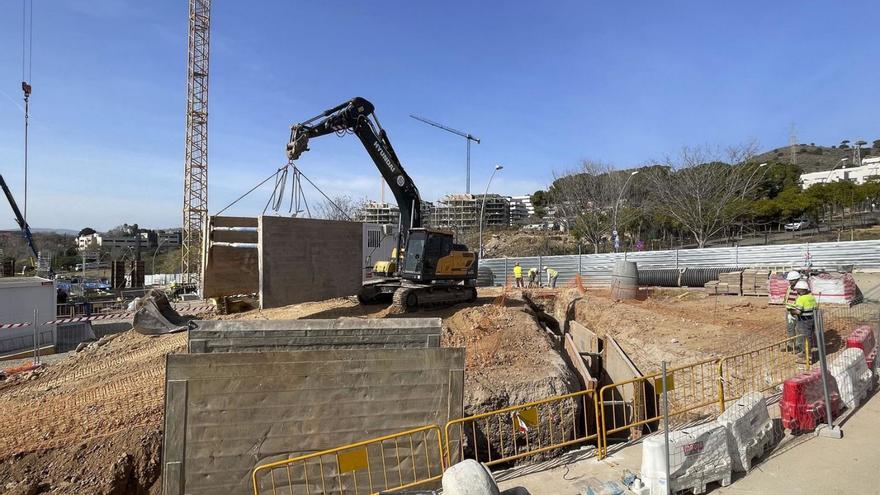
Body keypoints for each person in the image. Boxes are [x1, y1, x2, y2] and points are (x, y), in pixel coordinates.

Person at [789, 279, 817, 361]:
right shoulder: (812, 297)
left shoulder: (801, 299)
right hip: (812, 319)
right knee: (810, 336)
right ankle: (806, 353)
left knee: (805, 338)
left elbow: (798, 311)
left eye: (797, 289)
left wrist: (791, 311)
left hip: (803, 321)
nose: (796, 290)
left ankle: (807, 356)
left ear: (800, 290)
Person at [784, 271, 801, 351]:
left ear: (798, 279)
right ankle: (791, 345)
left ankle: (798, 346)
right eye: (789, 280)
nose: (790, 282)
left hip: (797, 312)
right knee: (790, 328)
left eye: (792, 280)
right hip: (789, 311)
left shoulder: (802, 289)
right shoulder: (789, 288)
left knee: (798, 329)